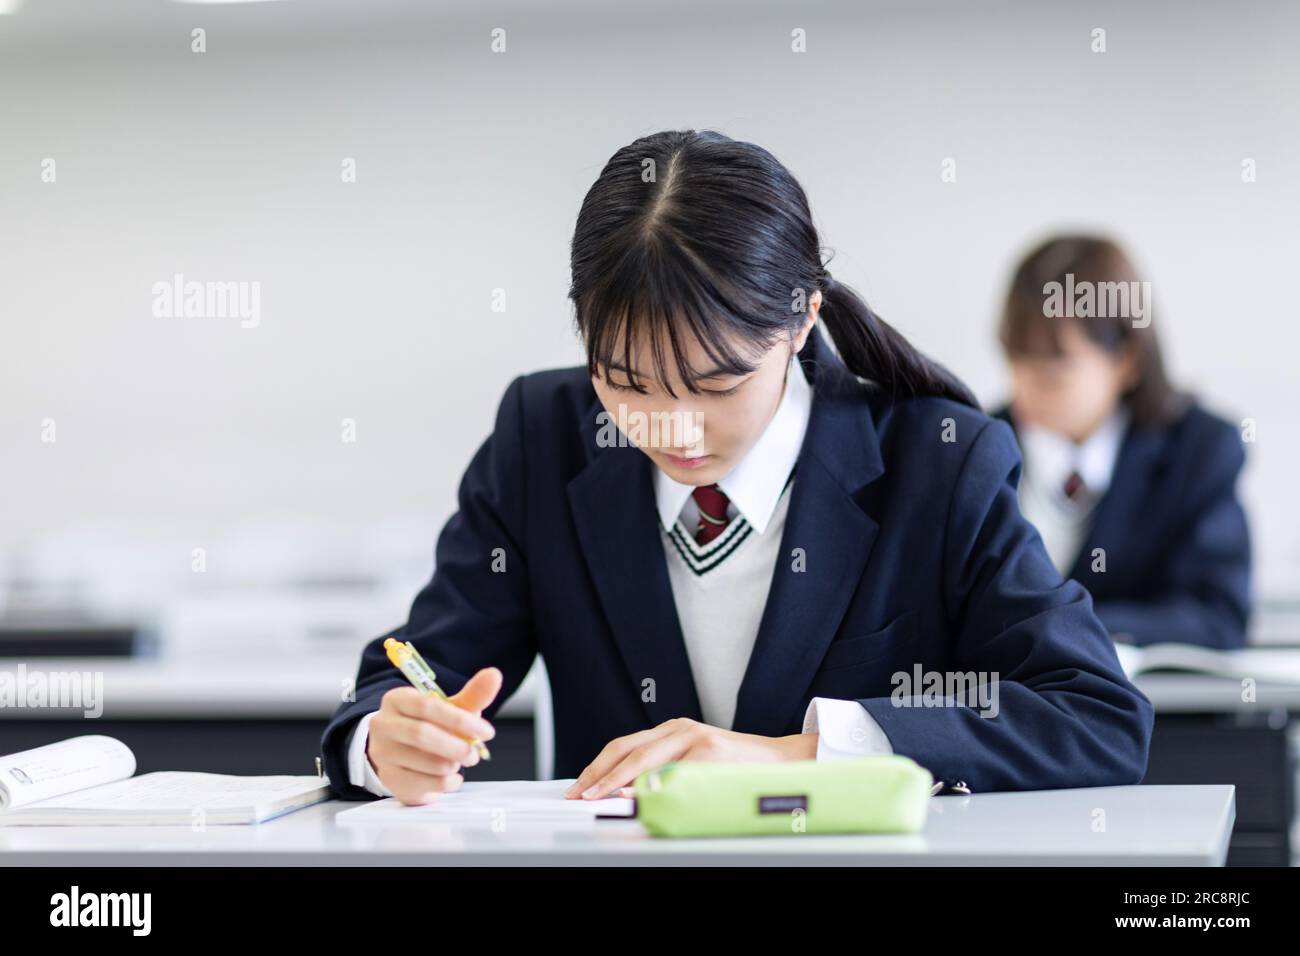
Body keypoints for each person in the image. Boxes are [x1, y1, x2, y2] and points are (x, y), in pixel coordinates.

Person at [320, 131, 1152, 805]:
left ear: (800, 323)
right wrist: (385, 741)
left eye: (718, 383)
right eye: (627, 382)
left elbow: (1097, 716)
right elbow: (413, 668)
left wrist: (800, 754)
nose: (673, 425)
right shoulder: (544, 436)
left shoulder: (937, 461)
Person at [994, 235, 1250, 649]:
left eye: (1053, 373)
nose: (1024, 391)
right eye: (1016, 361)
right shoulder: (979, 445)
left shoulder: (1200, 450)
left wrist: (1065, 626)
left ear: (1126, 361)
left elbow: (1216, 615)